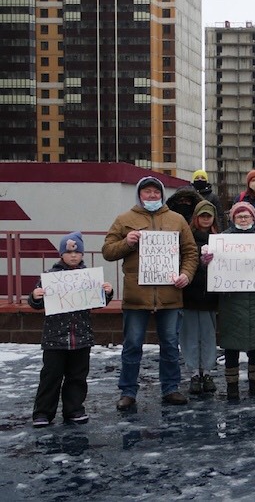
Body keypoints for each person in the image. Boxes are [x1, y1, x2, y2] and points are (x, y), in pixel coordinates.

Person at [102, 176, 198, 410]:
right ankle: (128, 391)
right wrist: (127, 242)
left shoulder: (176, 220)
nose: (152, 196)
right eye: (148, 192)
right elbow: (108, 250)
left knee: (170, 344)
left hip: (170, 295)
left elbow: (190, 252)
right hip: (137, 297)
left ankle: (171, 388)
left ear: (162, 195)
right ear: (139, 194)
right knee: (132, 344)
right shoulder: (125, 219)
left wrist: (186, 274)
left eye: (156, 192)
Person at [29, 232, 114, 427]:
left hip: (81, 337)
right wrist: (35, 295)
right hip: (54, 339)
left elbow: (99, 303)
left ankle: (74, 409)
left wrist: (107, 293)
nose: (73, 256)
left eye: (77, 252)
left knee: (77, 377)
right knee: (51, 377)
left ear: (82, 254)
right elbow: (35, 304)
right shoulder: (50, 276)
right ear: (61, 254)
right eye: (68, 252)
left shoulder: (88, 277)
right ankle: (42, 413)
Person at [202, 202, 255, 400]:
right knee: (231, 345)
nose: (243, 220)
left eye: (247, 216)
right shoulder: (223, 239)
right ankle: (232, 386)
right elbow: (211, 270)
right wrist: (208, 262)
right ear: (233, 219)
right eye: (239, 216)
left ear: (254, 218)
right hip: (231, 301)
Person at [181, 201, 219, 395]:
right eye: (202, 215)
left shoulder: (220, 240)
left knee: (208, 336)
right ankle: (194, 373)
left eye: (208, 215)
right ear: (196, 217)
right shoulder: (185, 238)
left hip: (210, 296)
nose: (205, 219)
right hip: (189, 295)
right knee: (190, 336)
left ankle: (208, 372)